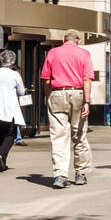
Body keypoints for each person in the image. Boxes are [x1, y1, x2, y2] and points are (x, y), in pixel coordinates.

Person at [40, 29, 93, 190]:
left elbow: (47, 81)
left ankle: (60, 175)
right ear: (77, 40)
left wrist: (49, 97)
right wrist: (87, 101)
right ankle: (80, 173)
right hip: (77, 93)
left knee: (58, 137)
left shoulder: (53, 53)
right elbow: (86, 80)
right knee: (79, 134)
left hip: (57, 93)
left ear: (64, 40)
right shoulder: (84, 54)